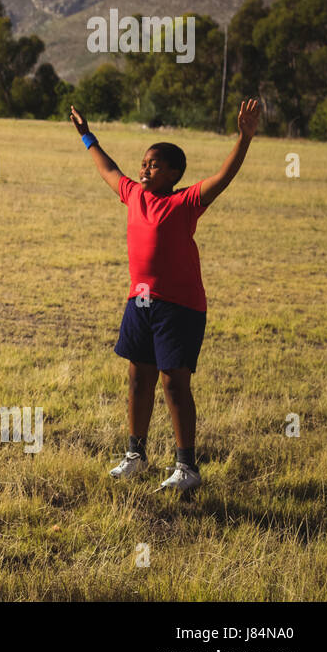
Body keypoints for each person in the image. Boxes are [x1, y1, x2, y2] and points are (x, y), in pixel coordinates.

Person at [71, 99, 261, 492]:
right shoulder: (133, 195)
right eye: (143, 162)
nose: (144, 168)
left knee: (174, 384)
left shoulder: (185, 201)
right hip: (139, 300)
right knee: (138, 378)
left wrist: (244, 138)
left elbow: (224, 177)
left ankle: (187, 467)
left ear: (174, 172)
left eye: (153, 164)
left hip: (179, 306)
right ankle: (135, 456)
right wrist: (86, 134)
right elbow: (107, 168)